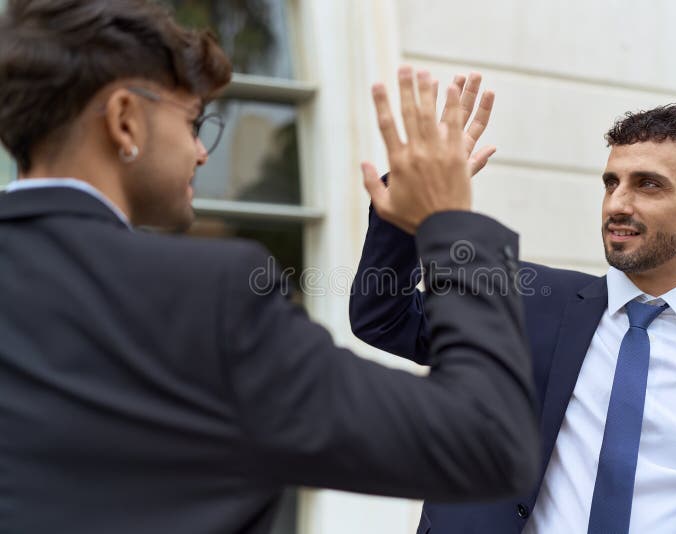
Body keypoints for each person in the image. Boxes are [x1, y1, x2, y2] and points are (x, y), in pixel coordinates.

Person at [0, 1, 541, 532]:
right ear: (124, 121)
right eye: (195, 122)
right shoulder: (210, 297)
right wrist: (448, 221)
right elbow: (487, 442)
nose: (202, 152)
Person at [350, 99, 676, 533]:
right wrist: (403, 218)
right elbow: (385, 319)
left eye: (648, 184)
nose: (617, 203)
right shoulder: (524, 302)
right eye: (611, 182)